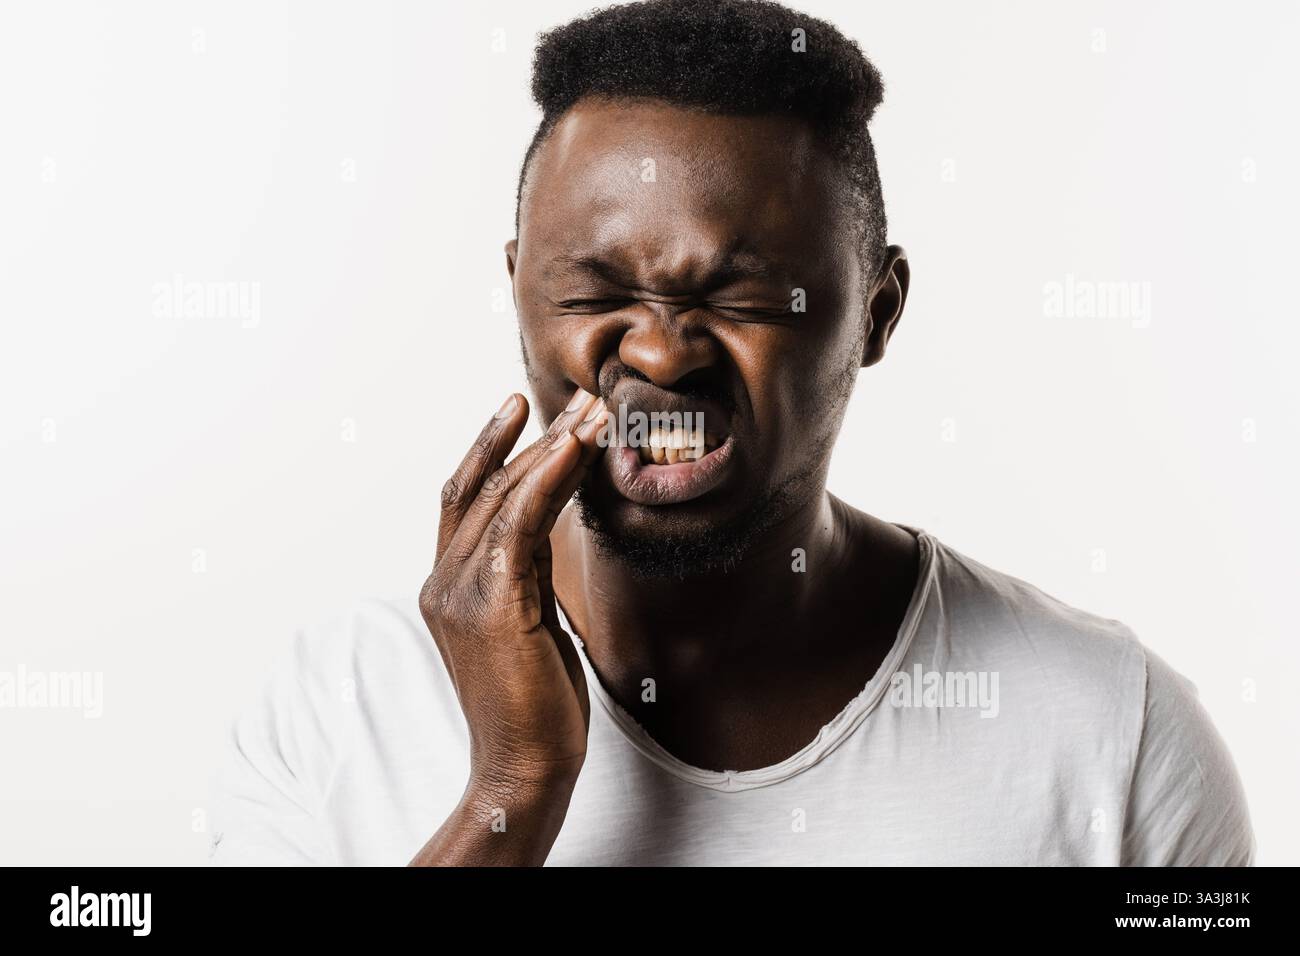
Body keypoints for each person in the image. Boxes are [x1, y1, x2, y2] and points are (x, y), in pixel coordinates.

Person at [210, 0, 1254, 866]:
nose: (662, 354)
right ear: (518, 290)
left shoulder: (1112, 732)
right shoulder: (338, 707)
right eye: (595, 289)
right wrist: (512, 789)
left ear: (877, 315)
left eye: (746, 296)